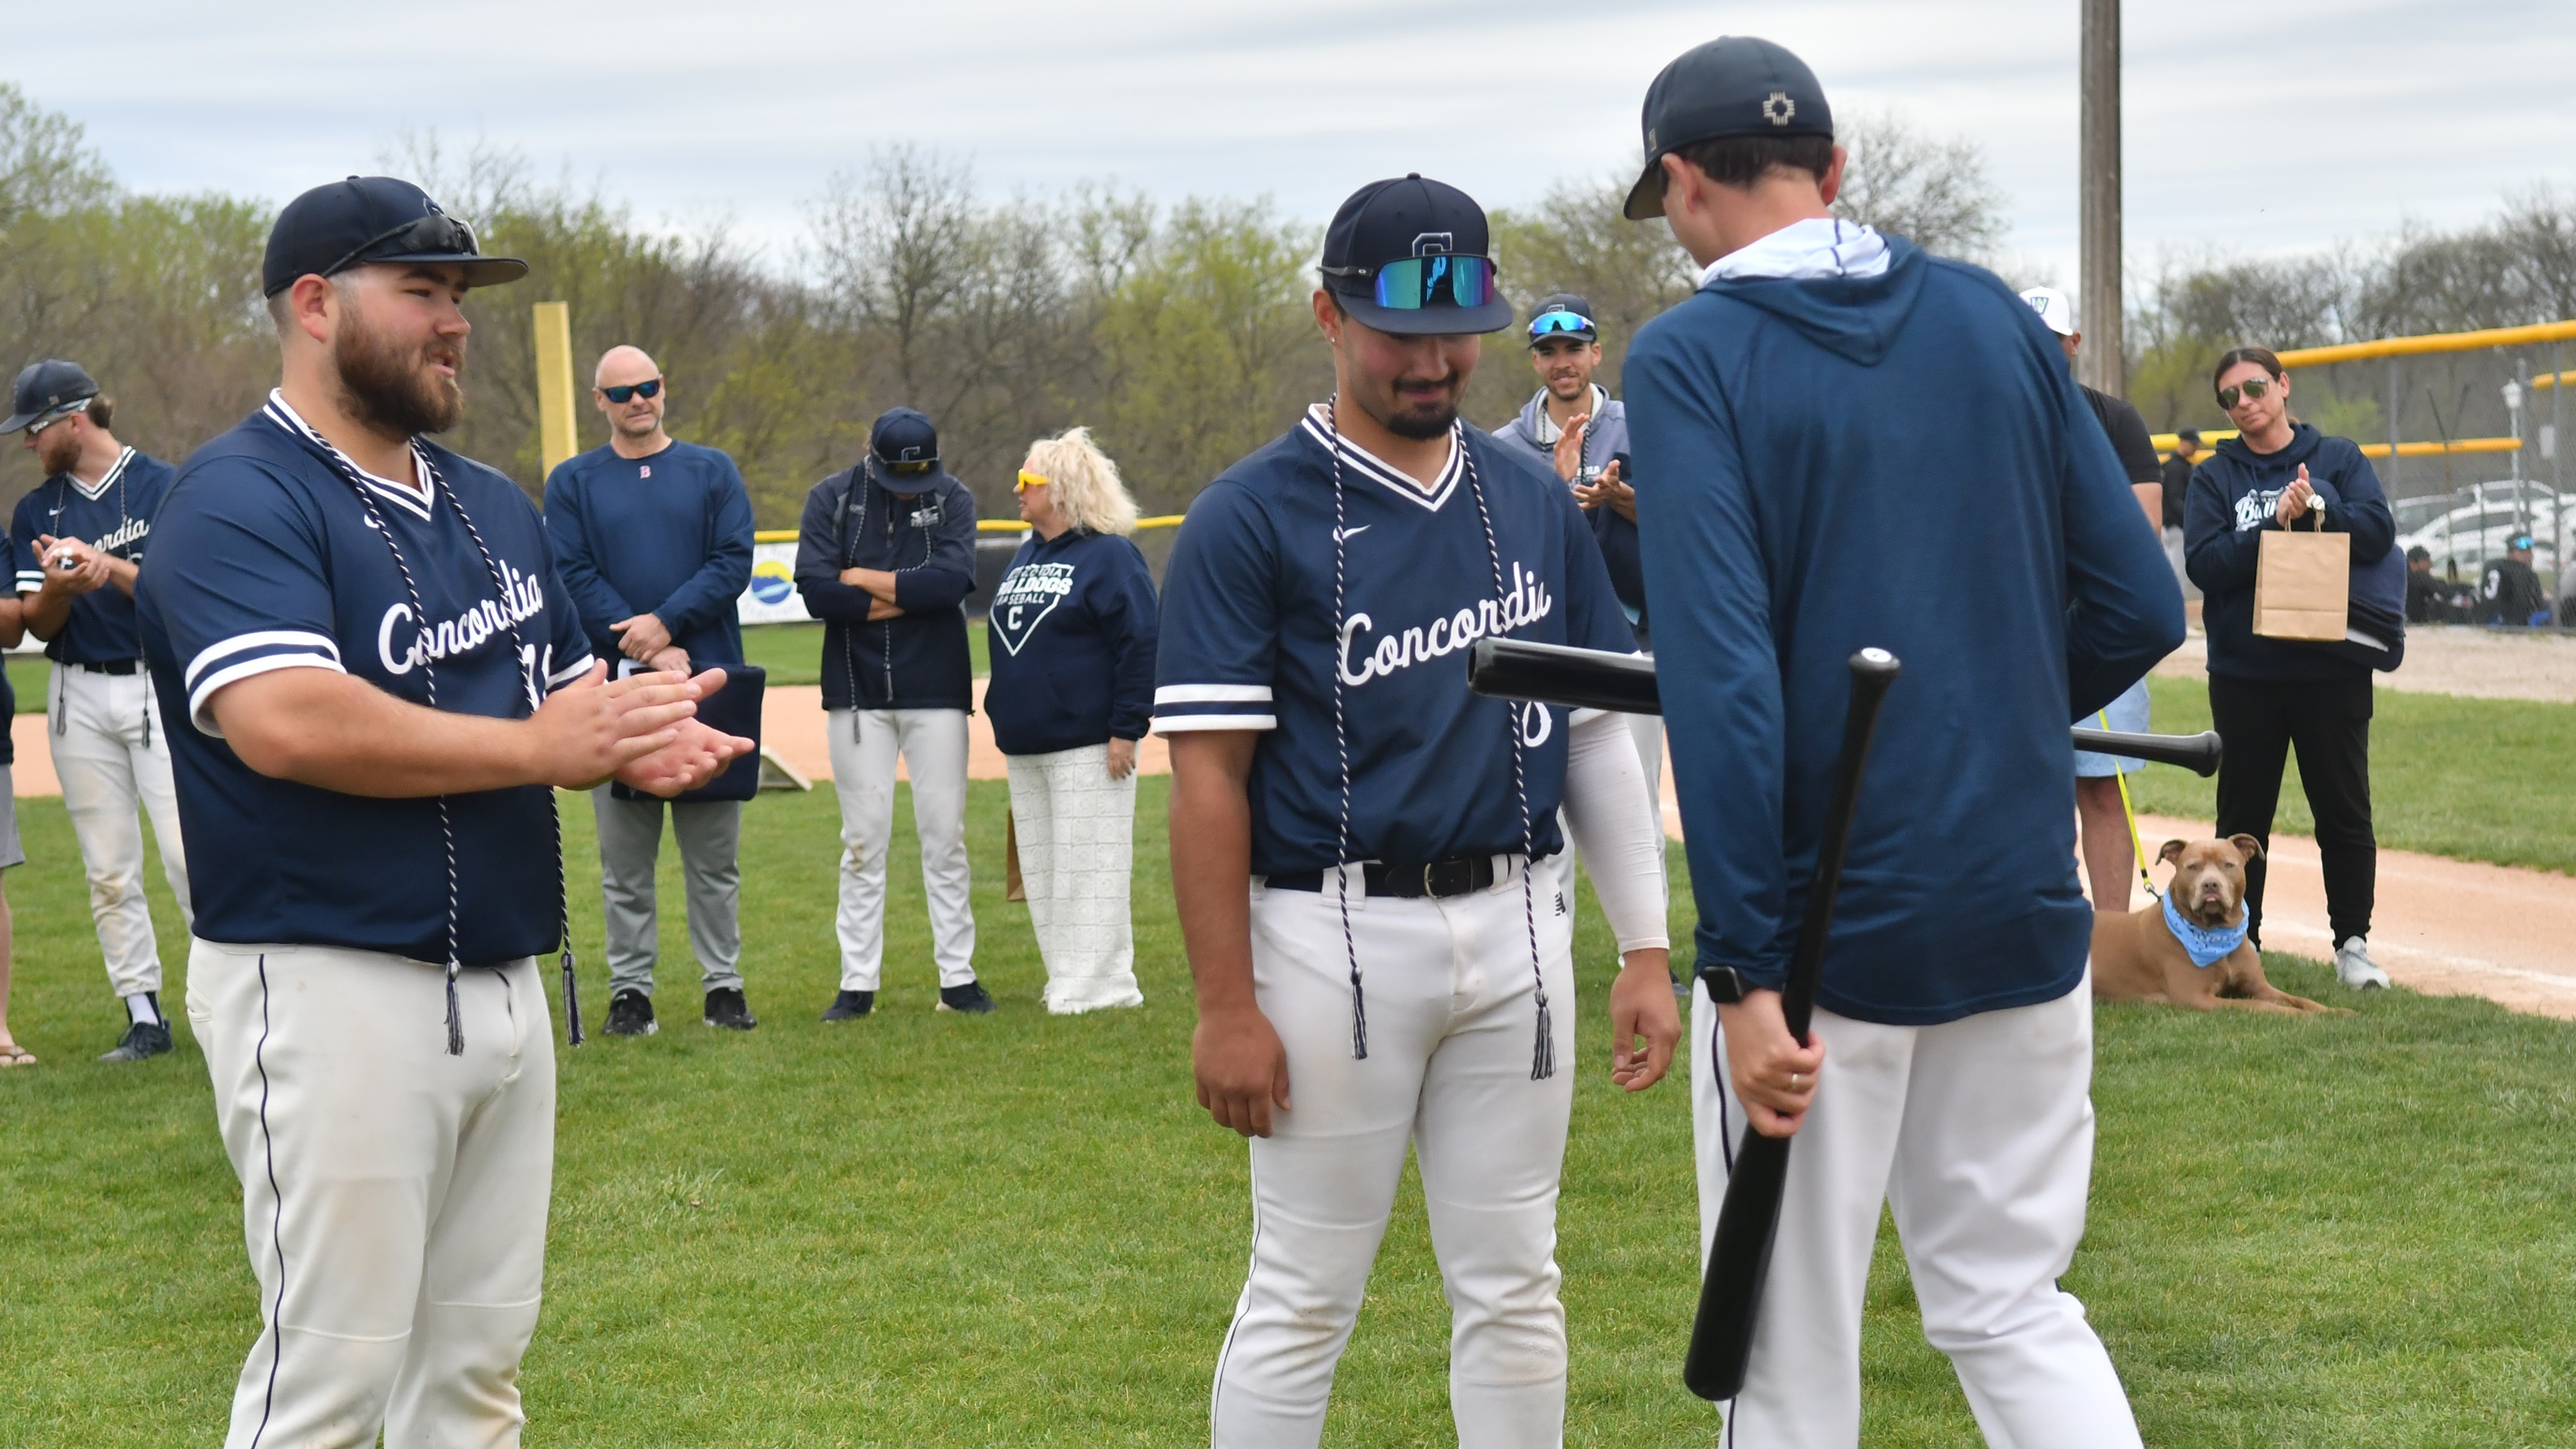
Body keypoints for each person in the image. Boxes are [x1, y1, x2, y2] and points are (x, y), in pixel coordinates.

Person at [1621, 37, 2181, 1446]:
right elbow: (2138, 601)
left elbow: (1727, 685)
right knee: (2014, 1309)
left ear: (1682, 182)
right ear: (1833, 166)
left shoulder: (1690, 356)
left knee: (1786, 1365)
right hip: (2018, 900)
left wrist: (1741, 967)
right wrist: (1989, 723)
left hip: (1822, 940)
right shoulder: (1988, 315)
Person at [135, 175, 748, 1448]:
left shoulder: (489, 500)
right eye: (422, 290)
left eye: (460, 294)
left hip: (507, 980)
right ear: (316, 305)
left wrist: (644, 734)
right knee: (330, 1388)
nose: (456, 321)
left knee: (472, 1381)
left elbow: (567, 697)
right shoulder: (238, 494)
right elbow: (285, 718)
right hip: (328, 980)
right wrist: (539, 746)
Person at [1158, 172, 1679, 1449]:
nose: (1435, 361)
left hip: (1522, 921)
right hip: (1332, 929)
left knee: (1517, 1286)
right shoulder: (1250, 513)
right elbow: (1208, 777)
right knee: (1303, 1295)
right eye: (1402, 332)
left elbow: (1594, 729)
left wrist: (1645, 945)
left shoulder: (1531, 496)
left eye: (1459, 332)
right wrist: (1224, 1005)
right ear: (1330, 317)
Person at [544, 345, 758, 1036]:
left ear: (663, 387)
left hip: (709, 681)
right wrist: (648, 643)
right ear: (599, 401)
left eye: (647, 387)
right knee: (625, 862)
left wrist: (667, 621)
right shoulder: (573, 481)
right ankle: (630, 995)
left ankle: (724, 988)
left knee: (714, 858)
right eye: (621, 392)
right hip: (618, 691)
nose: (637, 400)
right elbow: (571, 574)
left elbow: (732, 561)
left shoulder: (712, 469)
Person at [2185, 345, 2397, 989]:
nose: (2244, 404)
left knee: (2343, 812)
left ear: (2282, 385)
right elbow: (2204, 564)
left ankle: (2353, 946)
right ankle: (2238, 944)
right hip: (2245, 675)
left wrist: (2320, 510)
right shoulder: (2214, 477)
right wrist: (2272, 527)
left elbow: (2379, 533)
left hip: (2331, 670)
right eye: (2230, 397)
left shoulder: (2337, 458)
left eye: (2254, 388)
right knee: (2244, 819)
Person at [5, 360, 193, 1061]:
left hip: (155, 685)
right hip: (76, 691)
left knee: (189, 855)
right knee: (108, 869)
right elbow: (37, 623)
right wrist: (61, 588)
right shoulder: (37, 510)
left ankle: (228, 1001)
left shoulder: (164, 485)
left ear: (74, 420)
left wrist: (106, 567)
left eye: (35, 427)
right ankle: (144, 1016)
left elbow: (180, 593)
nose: (28, 442)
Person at [1494, 295, 1679, 994]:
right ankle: (1548, 960)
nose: (1562, 362)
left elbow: (1690, 523)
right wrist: (1559, 491)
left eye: (1574, 348)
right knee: (1544, 813)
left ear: (1596, 353)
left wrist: (1621, 500)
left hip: (1633, 642)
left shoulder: (1643, 427)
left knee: (1633, 803)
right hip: (1546, 651)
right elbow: (1500, 546)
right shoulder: (1506, 445)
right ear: (1535, 361)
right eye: (1547, 351)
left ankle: (1649, 958)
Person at [796, 407, 991, 1018]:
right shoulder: (830, 497)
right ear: (871, 455)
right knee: (862, 841)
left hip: (937, 688)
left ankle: (958, 979)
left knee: (945, 837)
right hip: (856, 693)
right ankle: (857, 984)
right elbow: (817, 592)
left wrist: (861, 578)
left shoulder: (953, 497)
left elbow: (951, 585)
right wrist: (905, 593)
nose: (910, 491)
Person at [984, 427, 1157, 1013]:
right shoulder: (1028, 552)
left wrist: (1126, 728)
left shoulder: (1111, 556)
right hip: (1027, 742)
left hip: (1088, 741)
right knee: (1044, 870)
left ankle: (1100, 986)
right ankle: (1066, 977)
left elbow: (1140, 643)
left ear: (1060, 488)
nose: (1017, 489)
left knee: (1090, 865)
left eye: (1027, 480)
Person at [2021, 286, 2165, 912]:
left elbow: (2143, 530)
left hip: (2096, 629)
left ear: (2073, 343)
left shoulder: (2114, 419)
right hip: (2016, 636)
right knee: (2026, 794)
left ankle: (2108, 943)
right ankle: (2036, 933)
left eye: (2050, 339)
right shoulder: (1982, 420)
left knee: (2104, 791)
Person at [2479, 532, 2549, 625]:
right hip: (2513, 621)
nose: (2527, 555)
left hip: (2493, 619)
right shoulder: (2519, 572)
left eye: (2529, 551)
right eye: (2522, 552)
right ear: (2510, 553)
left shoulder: (2494, 566)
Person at [2161, 427, 2201, 586]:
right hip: (2176, 527)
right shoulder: (2176, 467)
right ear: (2183, 442)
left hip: (2174, 526)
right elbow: (2175, 499)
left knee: (2175, 573)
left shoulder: (2178, 465)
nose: (2195, 447)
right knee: (2178, 576)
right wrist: (2191, 520)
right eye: (2193, 443)